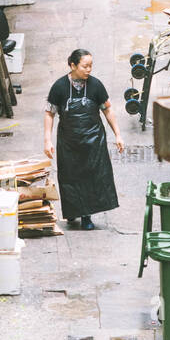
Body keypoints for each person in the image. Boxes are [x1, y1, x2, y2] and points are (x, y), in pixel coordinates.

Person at [43, 48, 124, 230]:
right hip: (68, 142)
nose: (89, 70)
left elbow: (107, 110)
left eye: (91, 66)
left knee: (91, 177)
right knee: (69, 177)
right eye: (84, 66)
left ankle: (87, 216)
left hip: (93, 141)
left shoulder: (96, 86)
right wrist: (47, 140)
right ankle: (72, 211)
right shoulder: (59, 87)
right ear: (73, 65)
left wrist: (118, 134)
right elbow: (50, 113)